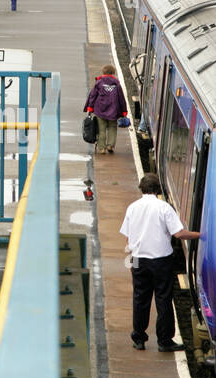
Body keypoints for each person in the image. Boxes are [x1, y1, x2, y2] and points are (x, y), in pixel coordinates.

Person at [119, 174, 201, 351]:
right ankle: (164, 340)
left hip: (139, 259)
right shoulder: (164, 208)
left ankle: (139, 338)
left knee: (140, 299)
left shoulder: (132, 208)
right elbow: (178, 234)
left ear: (141, 188)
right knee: (163, 299)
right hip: (161, 261)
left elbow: (128, 238)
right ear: (158, 189)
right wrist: (199, 235)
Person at [83, 65, 128, 154]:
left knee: (101, 129)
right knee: (112, 128)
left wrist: (90, 107)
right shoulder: (117, 84)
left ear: (103, 72)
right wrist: (124, 111)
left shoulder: (99, 83)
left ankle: (102, 148)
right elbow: (121, 98)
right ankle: (110, 145)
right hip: (113, 111)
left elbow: (93, 96)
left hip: (100, 110)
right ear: (113, 73)